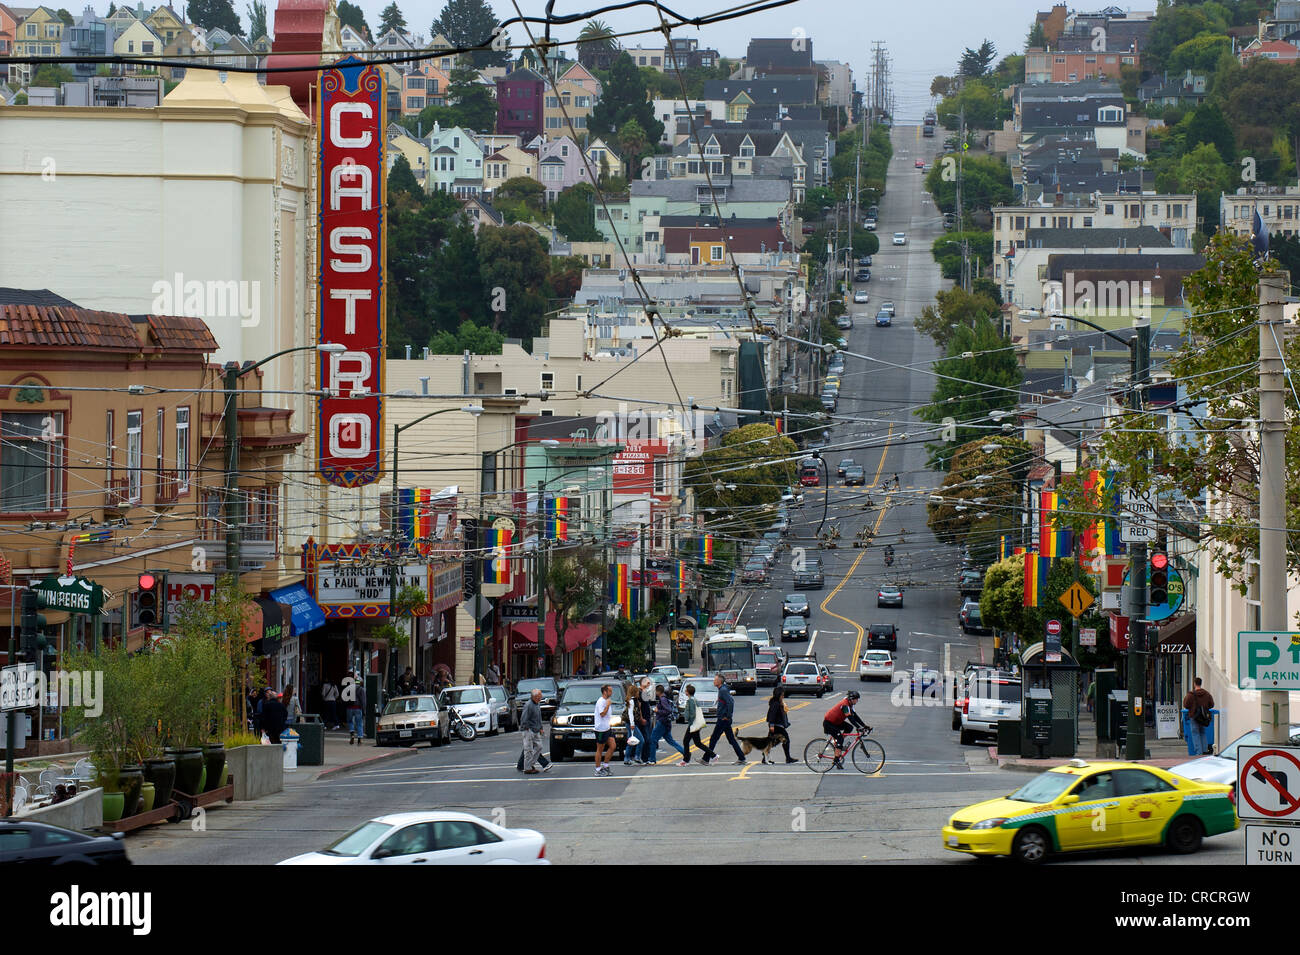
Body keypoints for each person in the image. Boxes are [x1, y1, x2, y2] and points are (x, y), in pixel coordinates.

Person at [704, 674, 746, 765]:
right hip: (723, 718)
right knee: (731, 740)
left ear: (719, 681)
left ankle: (706, 758)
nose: (713, 681)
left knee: (713, 739)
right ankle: (742, 758)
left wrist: (728, 716)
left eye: (715, 680)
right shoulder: (722, 689)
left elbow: (730, 702)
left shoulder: (723, 690)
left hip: (723, 719)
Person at [823, 691, 869, 767]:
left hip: (836, 722)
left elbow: (855, 716)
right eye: (856, 699)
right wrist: (859, 728)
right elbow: (850, 718)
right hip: (829, 723)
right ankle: (836, 759)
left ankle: (838, 743)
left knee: (849, 727)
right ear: (851, 699)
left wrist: (864, 726)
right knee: (840, 738)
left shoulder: (850, 704)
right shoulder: (845, 705)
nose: (857, 701)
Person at [649, 684, 687, 763]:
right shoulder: (665, 698)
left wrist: (657, 711)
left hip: (662, 723)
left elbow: (668, 710)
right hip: (666, 723)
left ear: (658, 692)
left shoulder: (662, 699)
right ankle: (685, 753)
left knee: (653, 740)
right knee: (671, 741)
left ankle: (652, 759)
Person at [679, 683, 715, 765]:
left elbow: (692, 714)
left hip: (693, 724)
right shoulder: (694, 699)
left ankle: (685, 760)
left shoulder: (690, 701)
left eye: (686, 690)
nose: (685, 692)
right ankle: (714, 755)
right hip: (696, 723)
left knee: (686, 741)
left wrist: (688, 719)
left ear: (688, 692)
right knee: (697, 743)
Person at [1183, 677, 1215, 755]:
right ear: (1201, 683)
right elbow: (1212, 704)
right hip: (1203, 718)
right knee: (1202, 733)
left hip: (1194, 717)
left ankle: (1198, 752)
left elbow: (1186, 705)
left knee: (1195, 734)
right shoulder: (1207, 694)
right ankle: (1204, 750)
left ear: (1194, 683)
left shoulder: (1191, 695)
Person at [520, 688, 549, 774]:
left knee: (539, 746)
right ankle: (528, 767)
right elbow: (524, 718)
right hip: (528, 730)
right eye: (540, 696)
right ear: (535, 697)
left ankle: (530, 764)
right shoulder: (528, 705)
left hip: (536, 729)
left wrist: (541, 728)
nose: (541, 697)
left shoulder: (537, 704)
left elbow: (539, 717)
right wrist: (526, 728)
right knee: (528, 749)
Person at [766, 686, 796, 763]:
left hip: (778, 725)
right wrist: (772, 725)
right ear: (778, 695)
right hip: (776, 726)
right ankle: (788, 758)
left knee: (771, 742)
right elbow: (772, 714)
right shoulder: (775, 704)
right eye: (782, 695)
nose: (783, 696)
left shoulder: (778, 702)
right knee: (786, 740)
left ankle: (765, 758)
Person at [593, 684, 617, 777]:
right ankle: (598, 769)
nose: (611, 693)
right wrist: (607, 706)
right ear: (605, 692)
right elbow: (602, 714)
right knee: (600, 749)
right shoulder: (601, 702)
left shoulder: (607, 701)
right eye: (610, 691)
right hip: (600, 729)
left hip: (607, 727)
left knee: (613, 746)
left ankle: (605, 766)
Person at [636, 678, 656, 764]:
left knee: (647, 738)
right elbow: (639, 707)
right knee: (645, 739)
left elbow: (651, 701)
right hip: (644, 719)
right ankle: (643, 758)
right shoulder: (639, 693)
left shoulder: (644, 692)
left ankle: (645, 757)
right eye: (647, 682)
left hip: (648, 718)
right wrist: (641, 718)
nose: (649, 683)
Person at [346, 671, 366, 745]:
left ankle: (352, 734)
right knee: (359, 723)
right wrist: (364, 710)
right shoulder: (361, 689)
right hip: (358, 708)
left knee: (350, 721)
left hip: (349, 707)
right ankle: (360, 738)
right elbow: (363, 701)